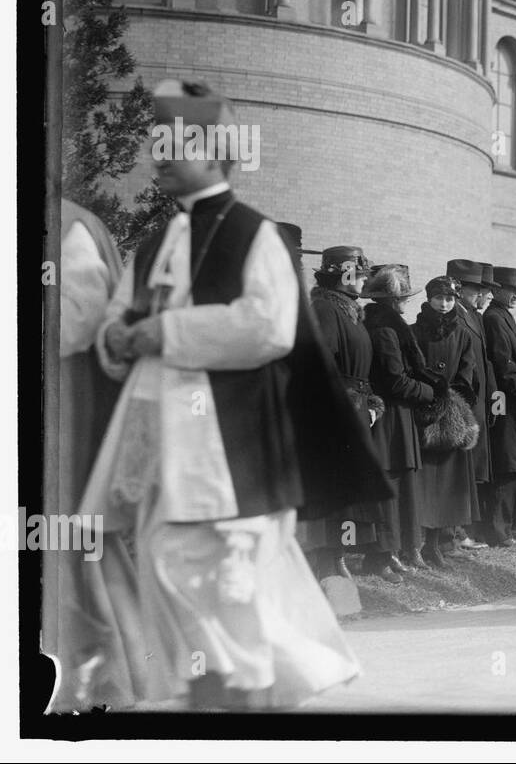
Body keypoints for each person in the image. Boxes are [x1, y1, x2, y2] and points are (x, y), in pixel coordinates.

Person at [80, 79, 391, 709]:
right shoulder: (158, 241)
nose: (158, 156)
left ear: (217, 152)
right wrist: (116, 335)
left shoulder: (257, 236)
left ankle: (245, 697)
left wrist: (161, 332)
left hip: (234, 443)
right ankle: (218, 686)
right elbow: (120, 320)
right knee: (170, 562)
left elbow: (266, 326)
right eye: (156, 143)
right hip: (163, 440)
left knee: (233, 576)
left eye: (173, 143)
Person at [47, 199, 147, 712]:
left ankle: (96, 684)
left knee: (73, 546)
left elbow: (78, 319)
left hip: (61, 413)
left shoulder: (69, 226)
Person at [298, 245, 395, 583]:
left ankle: (338, 555)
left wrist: (367, 405)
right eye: (358, 274)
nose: (363, 281)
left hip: (357, 406)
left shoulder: (351, 310)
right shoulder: (325, 308)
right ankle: (328, 560)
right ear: (342, 275)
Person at [363, 264, 444, 573]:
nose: (405, 302)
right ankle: (382, 555)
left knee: (399, 485)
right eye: (402, 297)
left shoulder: (385, 324)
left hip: (397, 414)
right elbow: (395, 380)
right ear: (393, 299)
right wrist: (429, 391)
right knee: (393, 484)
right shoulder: (386, 329)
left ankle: (393, 551)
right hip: (392, 417)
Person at [410, 275, 482, 563]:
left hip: (450, 414)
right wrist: (428, 397)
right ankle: (418, 541)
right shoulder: (414, 331)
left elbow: (468, 372)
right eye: (439, 298)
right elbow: (411, 368)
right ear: (428, 298)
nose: (444, 304)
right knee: (424, 482)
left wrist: (453, 401)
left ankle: (439, 542)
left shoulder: (462, 334)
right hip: (423, 410)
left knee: (447, 483)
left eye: (449, 299)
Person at [480, 265, 516, 547]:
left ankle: (503, 527)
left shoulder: (502, 316)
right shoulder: (494, 317)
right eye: (511, 290)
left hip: (514, 402)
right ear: (496, 290)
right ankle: (497, 530)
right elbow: (503, 361)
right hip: (509, 403)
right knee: (508, 464)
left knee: (514, 465)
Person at [446, 260, 495, 552]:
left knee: (471, 469)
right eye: (476, 288)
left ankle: (461, 530)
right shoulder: (453, 314)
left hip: (475, 401)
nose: (481, 294)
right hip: (461, 401)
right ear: (460, 288)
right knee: (458, 469)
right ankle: (453, 533)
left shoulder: (473, 316)